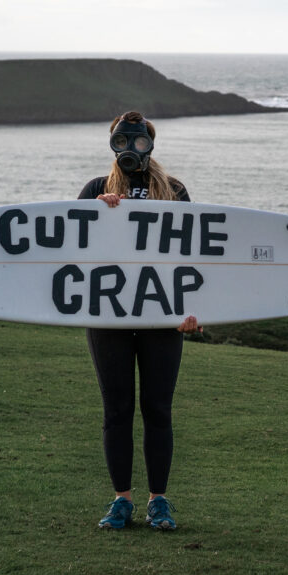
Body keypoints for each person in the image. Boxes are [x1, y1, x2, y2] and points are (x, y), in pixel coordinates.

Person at [79, 110, 201, 530]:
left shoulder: (175, 192)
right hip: (107, 318)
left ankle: (159, 501)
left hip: (162, 317)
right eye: (123, 142)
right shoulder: (96, 189)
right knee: (117, 410)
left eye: (141, 143)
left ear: (151, 146)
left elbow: (193, 257)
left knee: (157, 408)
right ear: (112, 145)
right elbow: (74, 254)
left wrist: (192, 313)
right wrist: (96, 215)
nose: (132, 150)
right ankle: (121, 501)